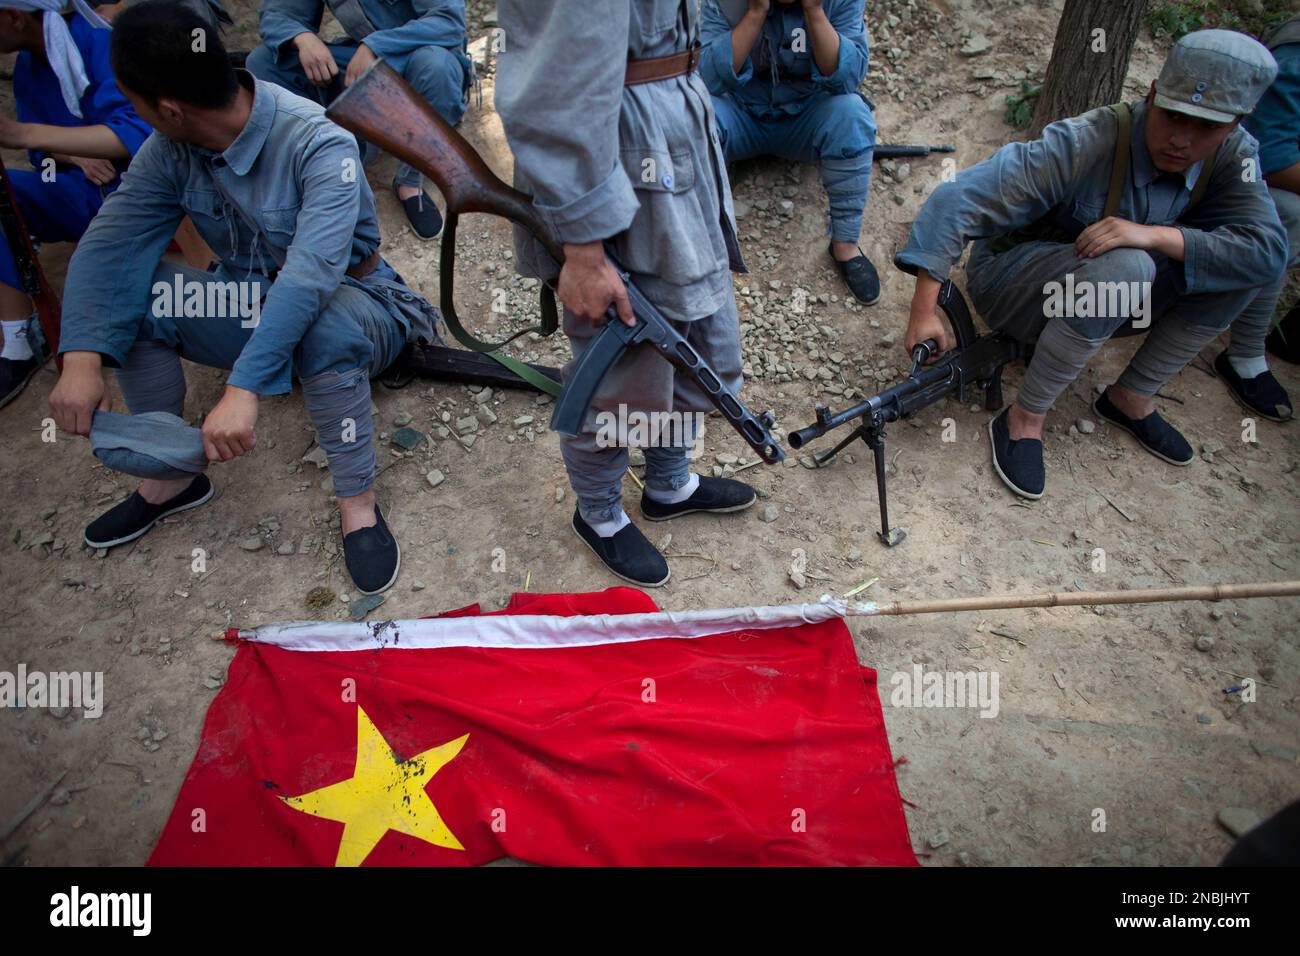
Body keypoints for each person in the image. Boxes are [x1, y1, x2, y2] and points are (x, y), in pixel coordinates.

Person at [47, 1, 441, 595]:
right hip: (251, 301)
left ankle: (358, 503)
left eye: (134, 102)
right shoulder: (171, 147)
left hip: (359, 302)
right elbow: (113, 246)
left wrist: (243, 388)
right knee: (143, 293)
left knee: (325, 323)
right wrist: (80, 354)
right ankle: (174, 476)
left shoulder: (318, 142)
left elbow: (310, 279)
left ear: (170, 108)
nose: (136, 116)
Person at [897, 30, 1287, 500]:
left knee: (1237, 267)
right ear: (1152, 96)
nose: (1181, 140)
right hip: (1016, 284)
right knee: (1128, 267)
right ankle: (1025, 418)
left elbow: (1267, 249)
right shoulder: (1090, 139)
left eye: (1206, 127)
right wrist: (923, 311)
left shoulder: (1234, 156)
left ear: (1235, 125)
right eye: (1173, 116)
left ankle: (1131, 397)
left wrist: (1158, 235)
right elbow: (958, 198)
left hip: (1108, 295)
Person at [493, 0, 758, 587]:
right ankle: (600, 514)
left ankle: (667, 483)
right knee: (621, 377)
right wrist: (583, 250)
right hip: (617, 163)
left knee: (700, 342)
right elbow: (555, 87)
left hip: (674, 146)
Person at [0, 0, 149, 408]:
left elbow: (136, 133)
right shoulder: (30, 67)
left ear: (14, 16)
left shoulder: (100, 42)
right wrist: (70, 153)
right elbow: (41, 157)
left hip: (135, 196)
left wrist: (21, 133)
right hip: (76, 190)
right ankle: (18, 338)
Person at [699, 0, 878, 303]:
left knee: (852, 115)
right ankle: (698, 242)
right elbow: (705, 77)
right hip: (739, 111)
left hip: (807, 114)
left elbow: (849, 80)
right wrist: (755, 13)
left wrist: (815, 12)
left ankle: (845, 245)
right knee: (693, 117)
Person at [246, 0, 472, 240]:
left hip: (423, 58)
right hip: (361, 64)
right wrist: (301, 37)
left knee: (436, 66)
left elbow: (448, 22)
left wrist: (375, 46)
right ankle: (323, 166)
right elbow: (277, 13)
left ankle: (410, 181)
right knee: (262, 63)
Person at [1226, 14, 1300, 418]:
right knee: (1289, 217)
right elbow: (1269, 155)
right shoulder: (1296, 56)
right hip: (1243, 176)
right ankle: (1246, 354)